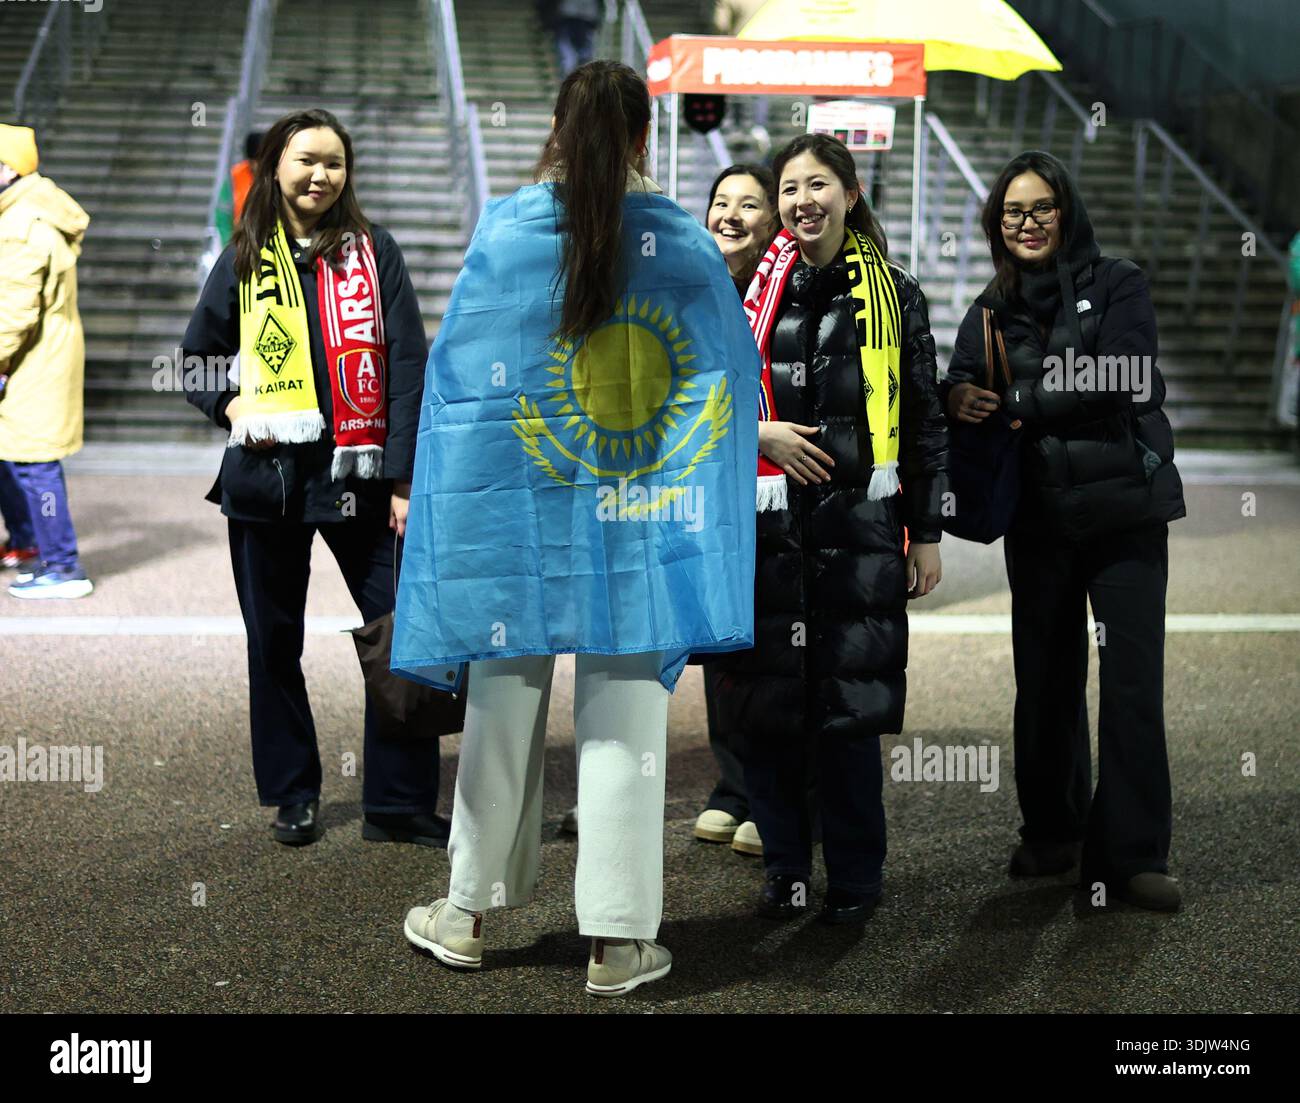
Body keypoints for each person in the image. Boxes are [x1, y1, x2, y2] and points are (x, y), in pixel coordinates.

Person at [393, 61, 760, 996]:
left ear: (556, 129)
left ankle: (468, 913)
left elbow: (461, 391)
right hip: (636, 518)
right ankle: (617, 940)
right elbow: (723, 383)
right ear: (643, 139)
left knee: (500, 709)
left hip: (517, 522)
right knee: (625, 723)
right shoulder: (678, 239)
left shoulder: (510, 229)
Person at [182, 108, 443, 849]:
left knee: (401, 629)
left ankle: (397, 801)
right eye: (305, 161)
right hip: (267, 482)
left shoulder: (375, 251)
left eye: (334, 162)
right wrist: (230, 403)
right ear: (274, 169)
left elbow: (404, 368)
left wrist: (402, 480)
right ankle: (294, 791)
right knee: (272, 643)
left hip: (361, 478)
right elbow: (196, 358)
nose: (320, 175)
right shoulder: (245, 255)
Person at [942, 150, 1186, 911]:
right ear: (995, 224)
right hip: (1040, 519)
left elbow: (1131, 374)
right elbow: (961, 378)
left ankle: (1133, 855)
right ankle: (1052, 831)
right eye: (1013, 212)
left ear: (1067, 211)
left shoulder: (1119, 282)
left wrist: (1019, 398)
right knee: (1044, 685)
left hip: (1125, 519)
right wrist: (959, 398)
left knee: (1131, 686)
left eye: (1041, 207)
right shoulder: (987, 309)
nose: (1027, 223)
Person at [713, 133, 948, 925]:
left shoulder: (895, 293)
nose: (801, 202)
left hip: (859, 532)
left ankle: (854, 879)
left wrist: (930, 531)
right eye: (789, 189)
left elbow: (924, 418)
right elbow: (703, 407)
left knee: (847, 719)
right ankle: (785, 868)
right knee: (773, 715)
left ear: (850, 193)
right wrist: (757, 439)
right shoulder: (744, 297)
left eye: (818, 185)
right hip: (770, 536)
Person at [693, 163, 780, 855]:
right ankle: (732, 783)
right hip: (710, 490)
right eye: (720, 201)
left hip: (777, 493)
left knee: (775, 647)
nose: (730, 214)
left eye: (748, 204)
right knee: (720, 642)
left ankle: (770, 791)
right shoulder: (692, 284)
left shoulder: (789, 287)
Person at [0, 124, 94, 599]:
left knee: (37, 465)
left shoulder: (20, 226)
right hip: (41, 356)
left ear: (7, 169)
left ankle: (63, 566)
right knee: (19, 459)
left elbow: (13, 313)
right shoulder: (31, 208)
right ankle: (31, 543)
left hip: (33, 360)